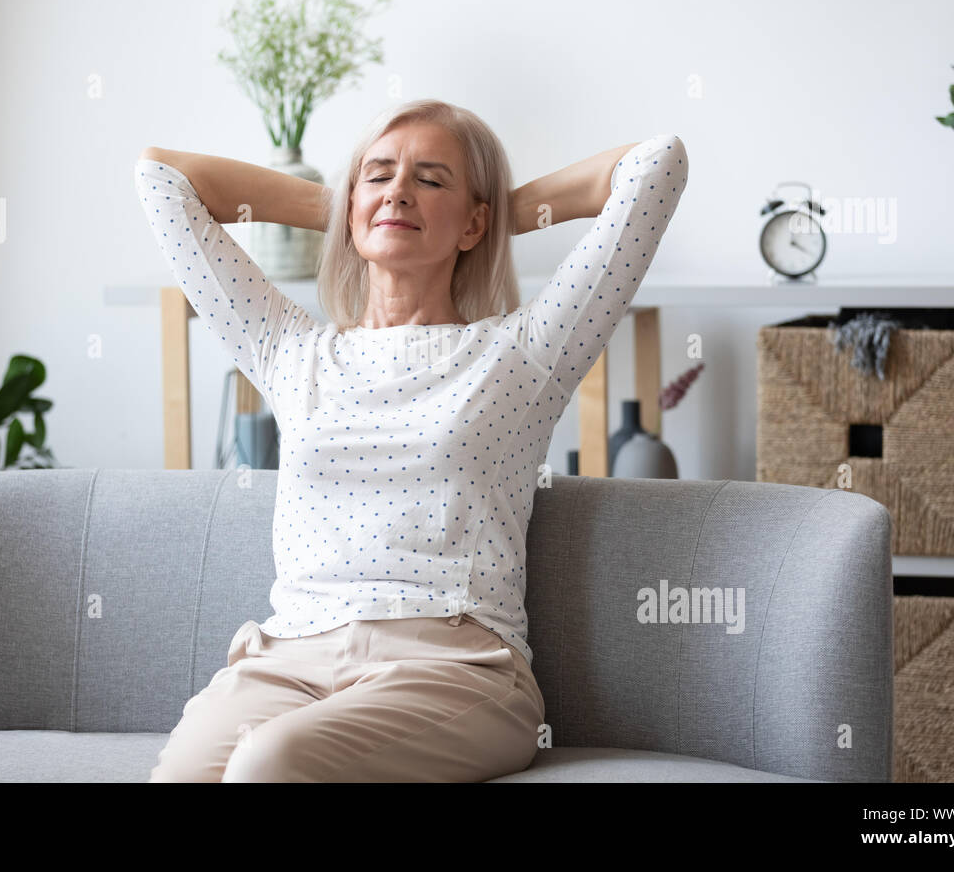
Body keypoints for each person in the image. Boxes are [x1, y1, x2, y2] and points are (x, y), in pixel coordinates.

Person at [135, 99, 688, 781]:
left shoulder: (522, 355)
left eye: (430, 179)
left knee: (268, 765)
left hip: (457, 669)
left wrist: (493, 217)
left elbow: (657, 165)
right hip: (287, 660)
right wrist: (351, 206)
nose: (399, 190)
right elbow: (161, 178)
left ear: (476, 221)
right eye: (378, 174)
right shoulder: (291, 351)